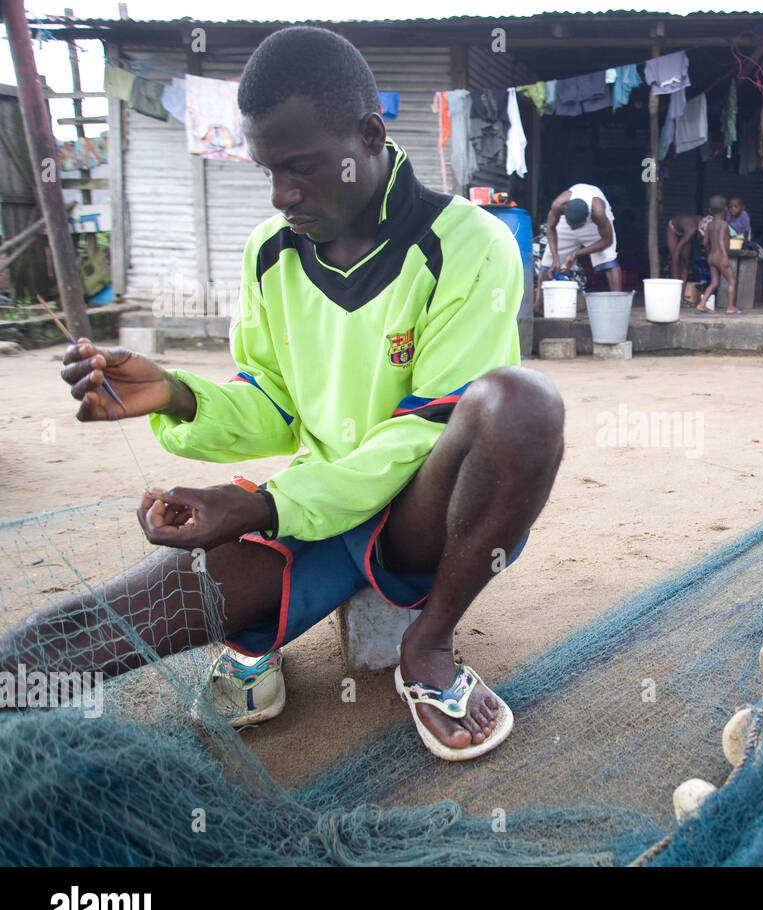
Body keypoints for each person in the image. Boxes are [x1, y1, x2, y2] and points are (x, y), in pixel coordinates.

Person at [4, 27, 565, 760]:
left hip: (422, 514)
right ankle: (253, 632)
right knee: (87, 630)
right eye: (268, 169)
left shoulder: (469, 244)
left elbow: (428, 429)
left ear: (368, 136)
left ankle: (428, 645)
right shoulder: (270, 251)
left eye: (300, 168)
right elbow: (272, 404)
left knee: (523, 402)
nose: (282, 195)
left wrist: (265, 506)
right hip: (316, 509)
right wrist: (174, 396)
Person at [534, 183, 620, 313]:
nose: (573, 229)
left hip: (594, 226)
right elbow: (551, 228)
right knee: (548, 261)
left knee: (608, 258)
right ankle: (538, 306)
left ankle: (617, 304)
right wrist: (556, 259)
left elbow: (607, 241)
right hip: (568, 219)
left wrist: (577, 253)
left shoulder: (598, 213)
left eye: (576, 226)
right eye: (571, 225)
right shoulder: (558, 206)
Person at [697, 194, 740, 314]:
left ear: (710, 210)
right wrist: (725, 257)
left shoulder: (709, 225)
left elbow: (705, 242)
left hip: (711, 257)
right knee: (731, 280)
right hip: (721, 257)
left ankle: (701, 304)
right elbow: (721, 241)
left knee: (714, 282)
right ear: (726, 208)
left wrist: (709, 252)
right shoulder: (724, 224)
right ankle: (731, 307)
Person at [665, 213, 703, 285]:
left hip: (685, 231)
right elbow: (676, 254)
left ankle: (681, 294)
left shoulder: (708, 221)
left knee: (685, 263)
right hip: (673, 229)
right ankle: (675, 288)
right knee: (675, 258)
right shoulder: (692, 230)